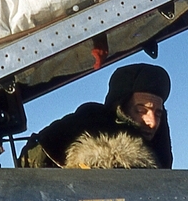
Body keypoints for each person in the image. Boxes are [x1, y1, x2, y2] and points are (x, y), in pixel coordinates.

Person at [21, 63, 172, 169]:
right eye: (141, 111)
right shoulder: (72, 133)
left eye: (158, 114)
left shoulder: (160, 158)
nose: (152, 122)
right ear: (121, 110)